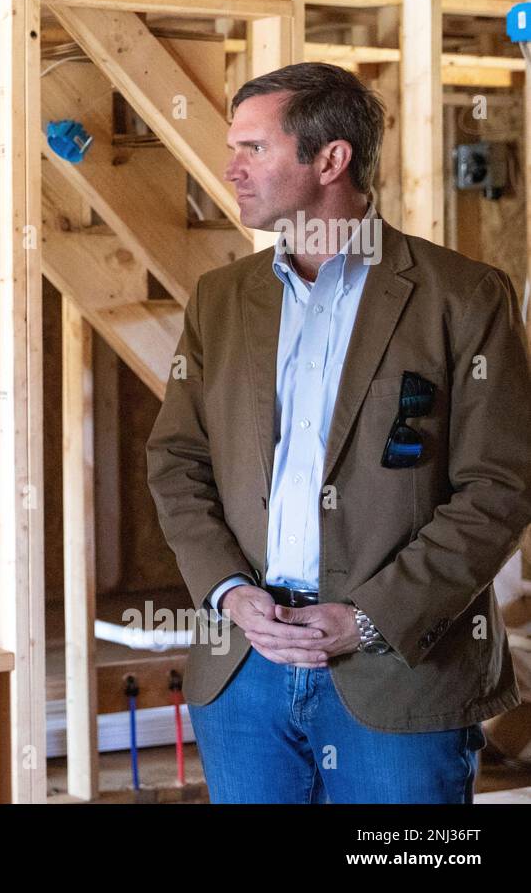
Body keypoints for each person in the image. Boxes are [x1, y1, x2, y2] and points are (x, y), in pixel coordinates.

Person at [146, 62, 531, 803]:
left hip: (400, 676)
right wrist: (227, 591)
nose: (231, 167)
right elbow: (177, 459)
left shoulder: (463, 297)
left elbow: (500, 488)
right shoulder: (220, 300)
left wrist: (369, 619)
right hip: (243, 671)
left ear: (330, 159)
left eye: (254, 148)